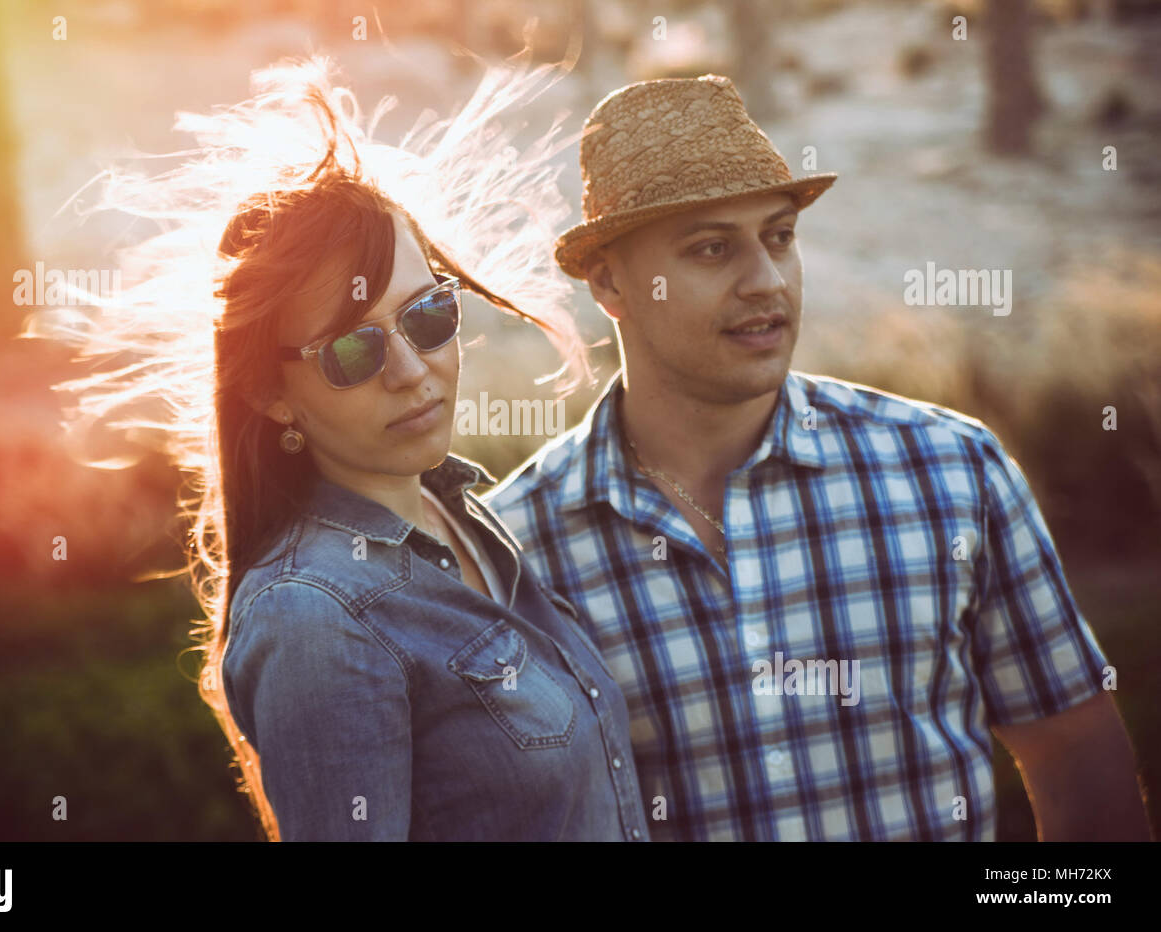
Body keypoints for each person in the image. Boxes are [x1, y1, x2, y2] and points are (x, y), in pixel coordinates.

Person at [484, 74, 1151, 841]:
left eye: (779, 237)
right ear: (608, 281)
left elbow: (1075, 754)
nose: (766, 282)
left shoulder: (950, 471)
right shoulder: (512, 553)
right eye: (711, 248)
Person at [36, 56, 648, 841]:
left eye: (427, 317)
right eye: (351, 354)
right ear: (269, 392)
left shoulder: (462, 515)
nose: (410, 372)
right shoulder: (312, 621)